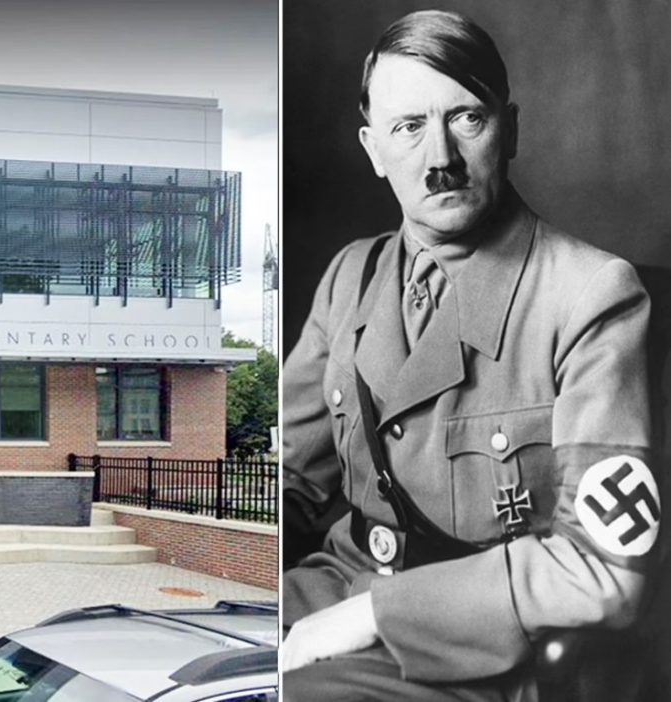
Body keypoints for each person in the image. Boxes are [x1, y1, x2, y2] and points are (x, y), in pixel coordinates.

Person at [281, 9, 660, 701]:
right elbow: (290, 481)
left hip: (471, 650)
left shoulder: (590, 296)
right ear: (373, 149)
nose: (439, 160)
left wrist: (373, 614)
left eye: (467, 119)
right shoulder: (349, 278)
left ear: (509, 129)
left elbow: (606, 571)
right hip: (331, 582)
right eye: (409, 127)